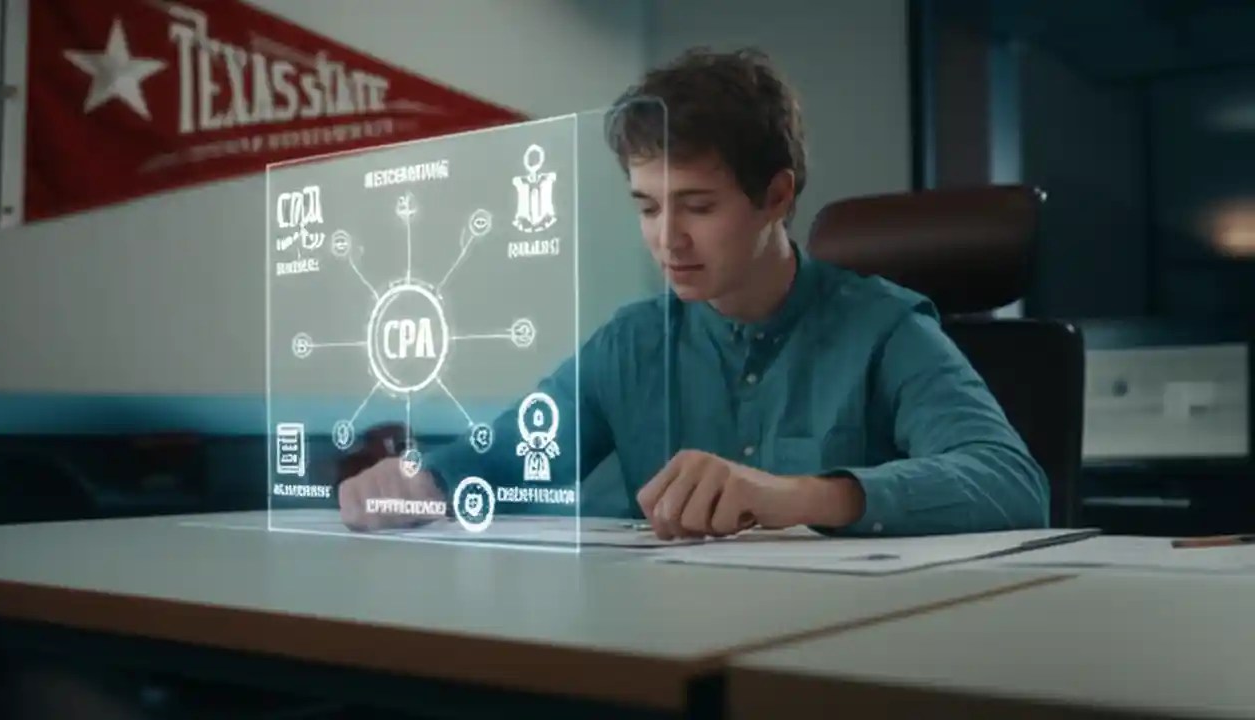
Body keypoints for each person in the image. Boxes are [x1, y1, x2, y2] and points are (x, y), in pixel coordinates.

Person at [338, 47, 1049, 540]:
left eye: (699, 207)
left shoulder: (886, 328)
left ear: (776, 197)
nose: (667, 239)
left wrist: (793, 497)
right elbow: (503, 458)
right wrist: (413, 480)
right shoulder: (632, 342)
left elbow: (1012, 483)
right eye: (647, 207)